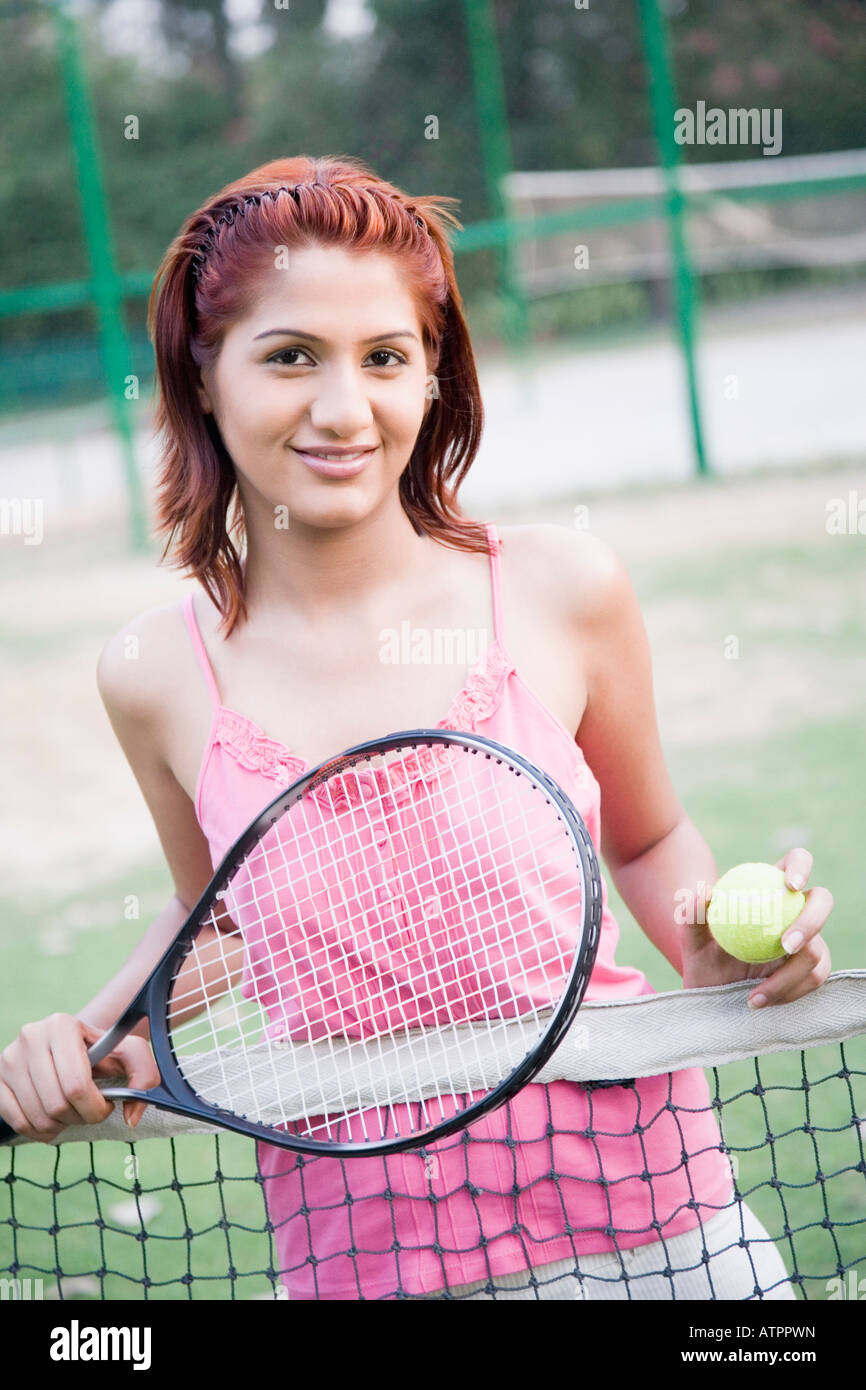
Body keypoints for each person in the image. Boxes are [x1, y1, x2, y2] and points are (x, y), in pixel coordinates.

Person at [0, 154, 833, 1301]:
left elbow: (644, 841)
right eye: (290, 355)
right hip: (368, 1261)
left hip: (660, 1231)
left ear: (431, 377)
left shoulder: (562, 588)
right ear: (203, 376)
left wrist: (707, 936)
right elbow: (225, 918)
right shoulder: (153, 673)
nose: (344, 410)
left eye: (385, 358)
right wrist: (93, 1036)